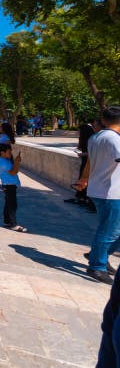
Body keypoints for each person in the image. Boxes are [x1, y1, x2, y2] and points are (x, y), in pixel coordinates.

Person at [74, 106, 120, 285]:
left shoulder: (95, 137)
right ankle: (97, 266)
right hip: (112, 192)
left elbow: (90, 162)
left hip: (99, 190)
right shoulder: (113, 138)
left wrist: (84, 179)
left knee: (110, 229)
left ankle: (99, 255)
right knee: (109, 231)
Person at [0, 143, 26, 232]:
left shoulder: (5, 159)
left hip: (10, 185)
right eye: (9, 152)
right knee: (12, 205)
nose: (11, 154)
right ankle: (13, 224)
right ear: (2, 153)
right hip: (9, 185)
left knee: (8, 203)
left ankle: (7, 221)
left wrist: (15, 161)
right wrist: (17, 162)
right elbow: (14, 172)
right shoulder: (3, 162)